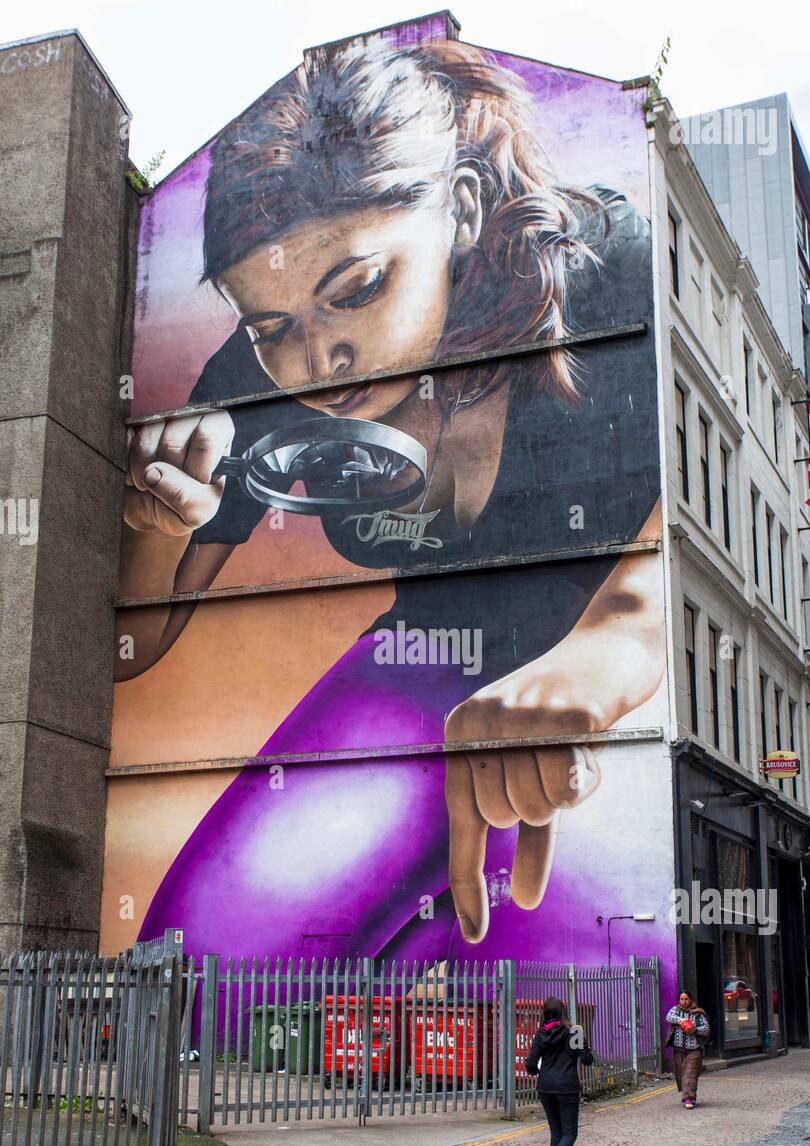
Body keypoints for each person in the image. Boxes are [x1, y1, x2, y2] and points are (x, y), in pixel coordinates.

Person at [123, 36, 665, 966]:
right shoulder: (248, 382)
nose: (315, 362)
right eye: (272, 327)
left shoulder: (605, 263)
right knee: (208, 959)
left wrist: (613, 641)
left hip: (614, 672)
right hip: (421, 653)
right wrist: (149, 525)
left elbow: (689, 511)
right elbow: (133, 647)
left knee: (586, 957)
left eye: (359, 289)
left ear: (462, 209)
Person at [525, 996, 593, 1146]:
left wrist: (538, 1072)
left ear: (545, 1013)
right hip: (567, 1087)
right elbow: (587, 1059)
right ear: (563, 1012)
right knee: (570, 1132)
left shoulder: (541, 1034)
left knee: (556, 1131)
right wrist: (584, 1050)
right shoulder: (574, 1032)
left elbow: (531, 1063)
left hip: (546, 1087)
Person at [665, 990, 711, 1109]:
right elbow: (668, 1017)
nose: (684, 1001)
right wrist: (681, 1021)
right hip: (678, 1049)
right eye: (682, 999)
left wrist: (694, 1029)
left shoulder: (698, 1013)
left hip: (694, 1050)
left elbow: (706, 1029)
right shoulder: (675, 1010)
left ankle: (689, 1098)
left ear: (691, 999)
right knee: (681, 1074)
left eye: (686, 999)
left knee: (690, 1074)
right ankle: (688, 1095)